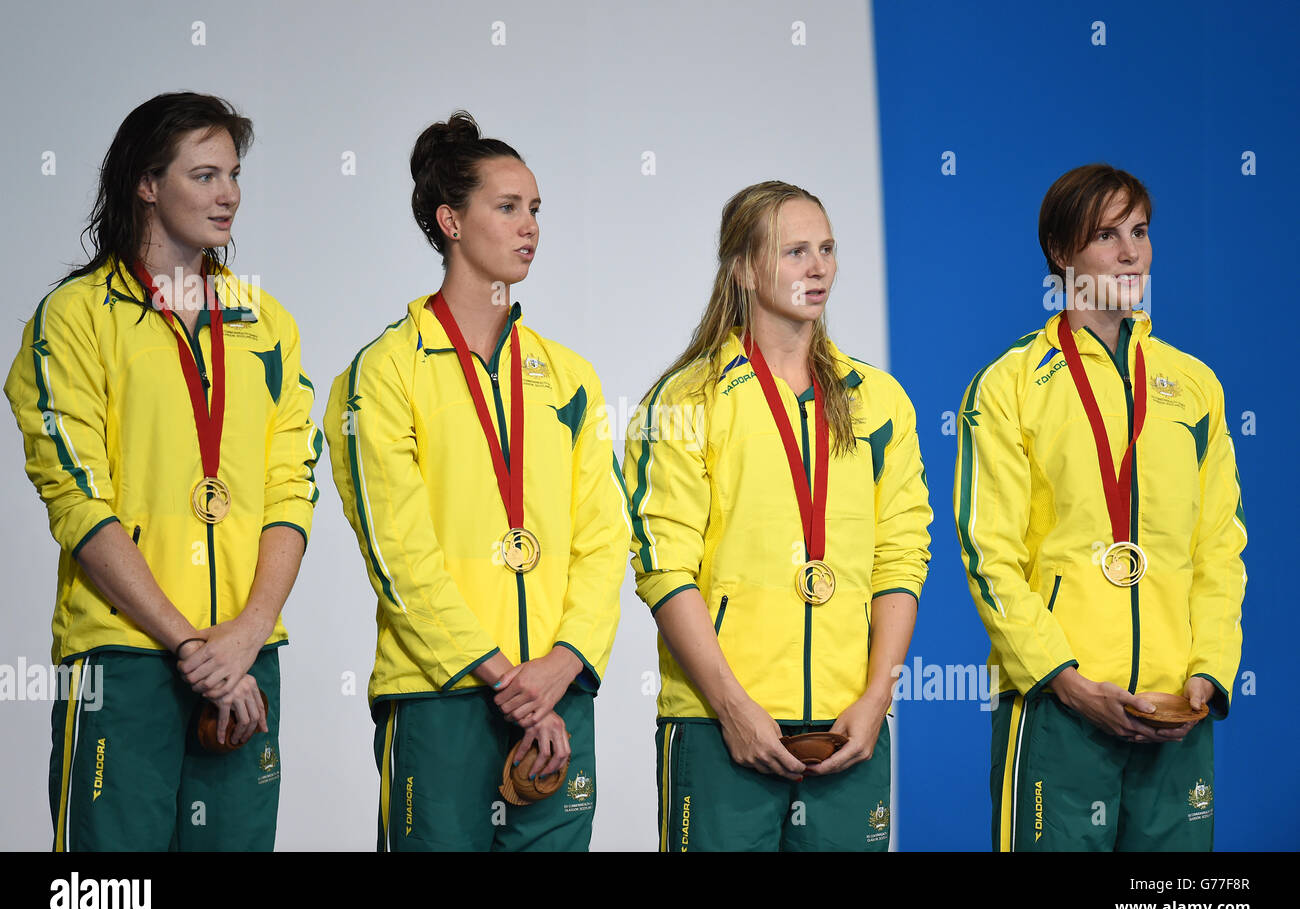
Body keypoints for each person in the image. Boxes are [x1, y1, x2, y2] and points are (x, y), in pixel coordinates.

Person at [4, 92, 320, 851]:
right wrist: (189, 646)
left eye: (234, 174)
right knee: (111, 899)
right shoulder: (74, 318)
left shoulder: (265, 323)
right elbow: (80, 503)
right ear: (147, 183)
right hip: (124, 659)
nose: (228, 195)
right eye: (205, 174)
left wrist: (245, 636)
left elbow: (292, 490)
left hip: (246, 661)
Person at [325, 111, 629, 852]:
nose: (529, 226)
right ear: (450, 221)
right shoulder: (384, 372)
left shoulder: (568, 377)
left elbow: (605, 537)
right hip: (443, 699)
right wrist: (505, 680)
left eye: (535, 209)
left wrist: (561, 666)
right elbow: (401, 557)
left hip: (561, 699)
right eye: (506, 207)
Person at [623, 181, 932, 852]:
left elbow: (901, 557)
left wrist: (876, 698)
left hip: (849, 727)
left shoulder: (879, 401)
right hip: (718, 725)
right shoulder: (685, 401)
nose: (817, 268)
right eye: (794, 252)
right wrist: (733, 709)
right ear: (743, 269)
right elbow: (662, 567)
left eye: (826, 250)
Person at [954, 163, 1246, 851]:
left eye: (1140, 231)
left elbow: (1218, 548)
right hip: (1061, 712)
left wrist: (1208, 674)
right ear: (1062, 252)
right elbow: (989, 554)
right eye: (1107, 234)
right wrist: (1062, 679)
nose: (1130, 252)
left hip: (1177, 715)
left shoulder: (1194, 385)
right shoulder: (1011, 385)